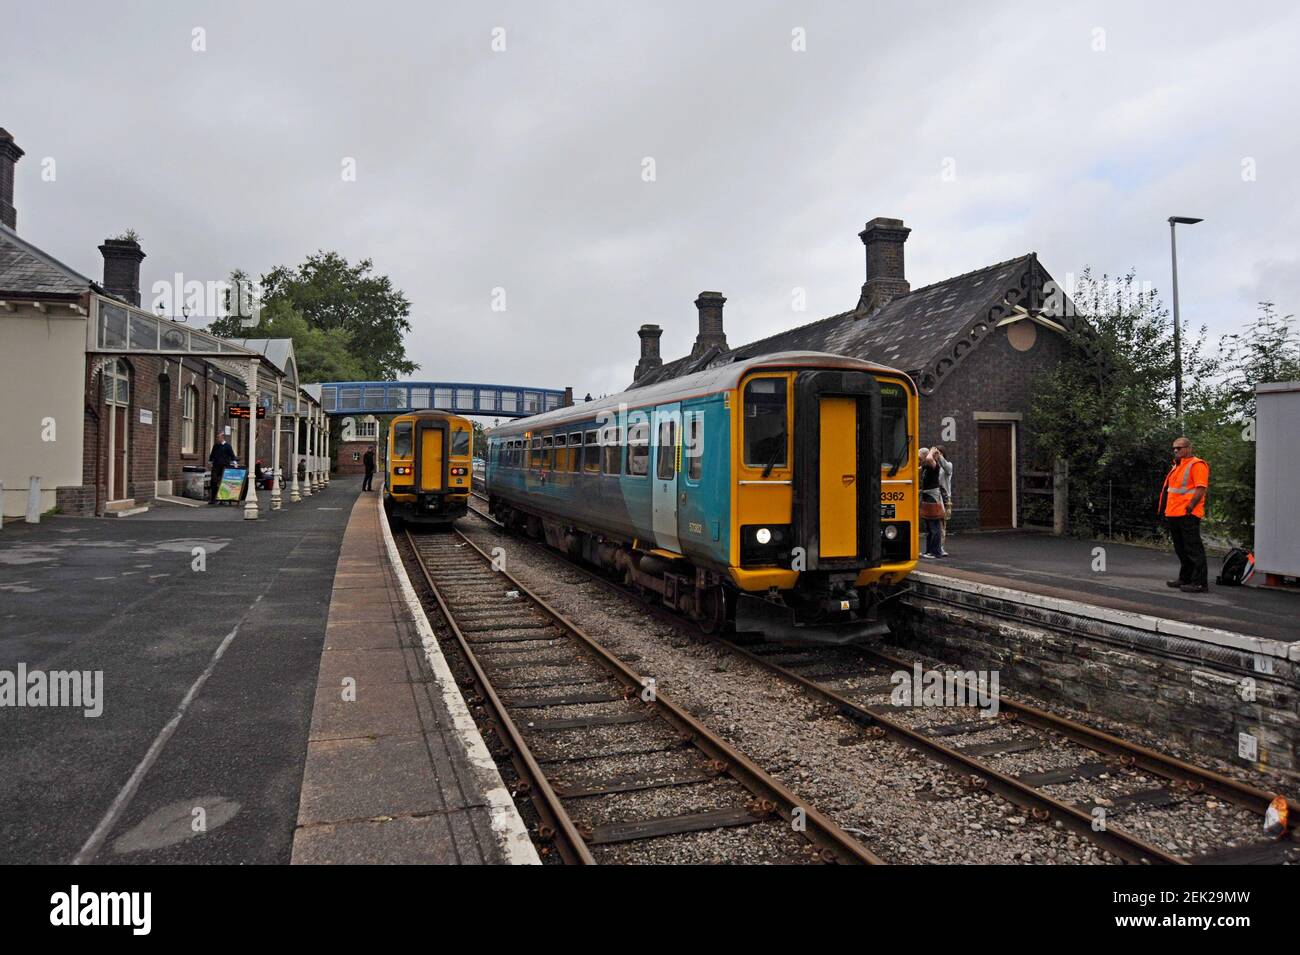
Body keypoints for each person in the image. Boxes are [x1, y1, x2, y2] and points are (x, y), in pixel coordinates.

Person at [1160, 436, 1210, 592]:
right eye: (1174, 448)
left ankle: (1200, 583)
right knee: (1181, 549)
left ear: (1189, 448)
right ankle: (1185, 578)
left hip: (1187, 513)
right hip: (1174, 513)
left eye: (1179, 448)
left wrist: (1190, 506)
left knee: (1193, 549)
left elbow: (1201, 488)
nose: (1176, 450)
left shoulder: (1197, 465)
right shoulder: (1177, 466)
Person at [919, 447, 946, 559]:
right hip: (926, 495)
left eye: (920, 458)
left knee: (934, 525)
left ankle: (936, 552)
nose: (919, 460)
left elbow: (930, 458)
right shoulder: (925, 466)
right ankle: (929, 551)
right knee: (929, 526)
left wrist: (932, 450)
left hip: (933, 497)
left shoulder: (934, 466)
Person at [933, 445, 953, 556]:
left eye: (940, 453)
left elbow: (947, 468)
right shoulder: (933, 466)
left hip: (944, 498)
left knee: (942, 523)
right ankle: (933, 547)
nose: (937, 455)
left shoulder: (948, 465)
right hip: (934, 496)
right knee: (933, 523)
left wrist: (939, 456)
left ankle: (940, 547)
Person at [208, 432, 237, 504]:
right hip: (216, 466)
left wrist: (235, 463)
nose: (217, 439)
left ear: (222, 437)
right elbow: (212, 455)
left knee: (223, 483)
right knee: (213, 481)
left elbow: (232, 455)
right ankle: (213, 499)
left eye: (219, 437)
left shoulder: (228, 446)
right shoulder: (216, 446)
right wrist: (210, 462)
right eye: (217, 437)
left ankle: (222, 499)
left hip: (224, 467)